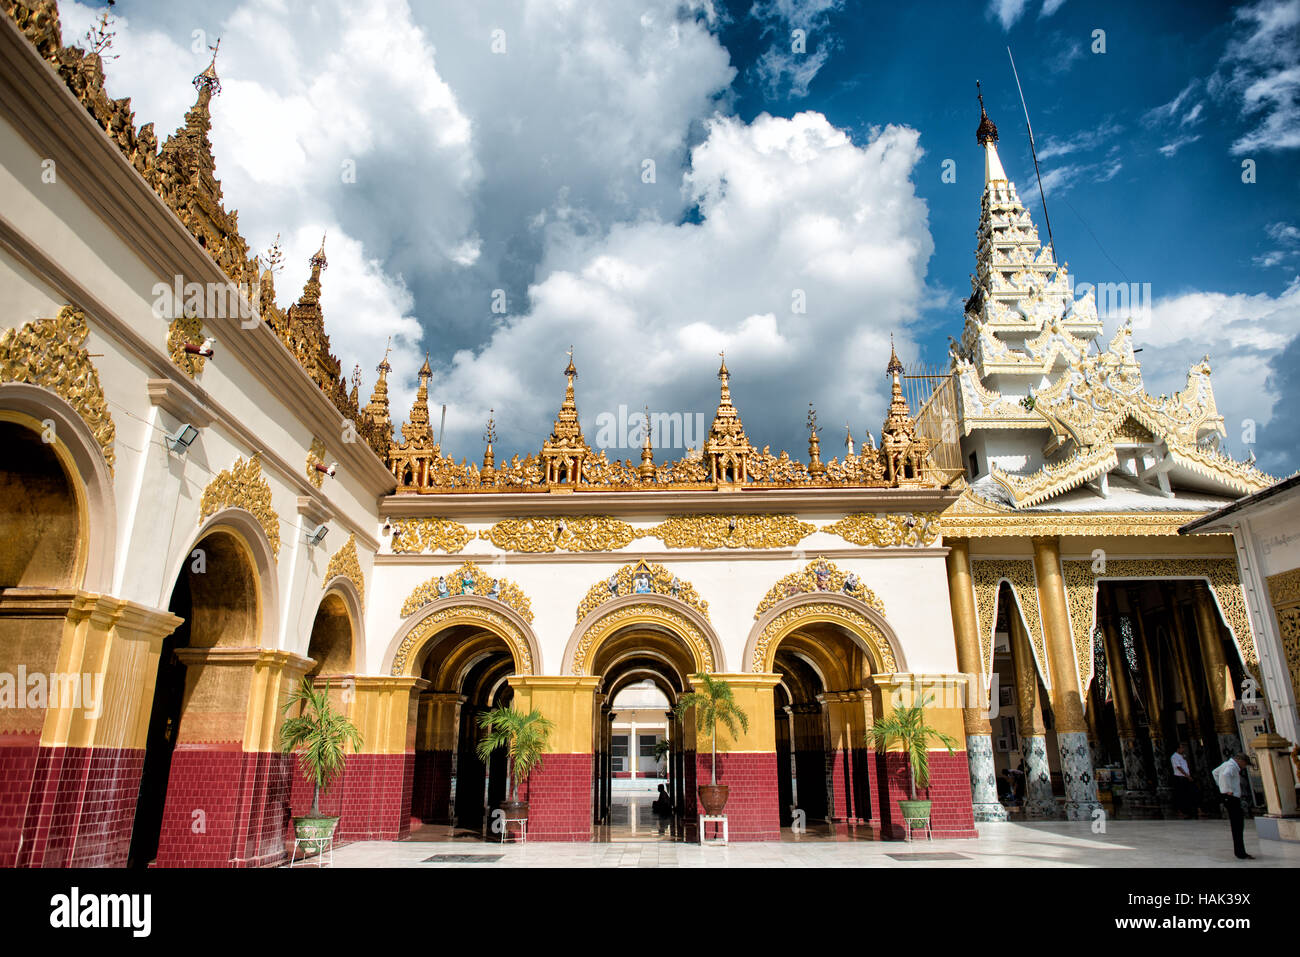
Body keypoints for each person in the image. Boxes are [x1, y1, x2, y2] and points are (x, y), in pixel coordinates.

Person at [1211, 752, 1254, 860]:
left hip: (1228, 797)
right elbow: (1225, 775)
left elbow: (1215, 772)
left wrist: (1220, 786)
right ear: (1241, 761)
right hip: (1232, 798)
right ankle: (1240, 852)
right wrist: (1227, 790)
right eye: (1245, 764)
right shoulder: (1231, 766)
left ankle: (1240, 851)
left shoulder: (1227, 764)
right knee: (1238, 825)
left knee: (1237, 825)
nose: (1244, 766)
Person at [1171, 742, 1198, 819]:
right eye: (1182, 748)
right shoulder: (1174, 757)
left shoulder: (1182, 756)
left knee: (1190, 793)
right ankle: (1184, 811)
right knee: (1182, 794)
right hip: (1180, 777)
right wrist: (1187, 775)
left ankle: (1191, 810)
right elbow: (1178, 767)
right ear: (1178, 749)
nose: (1183, 749)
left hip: (1186, 777)